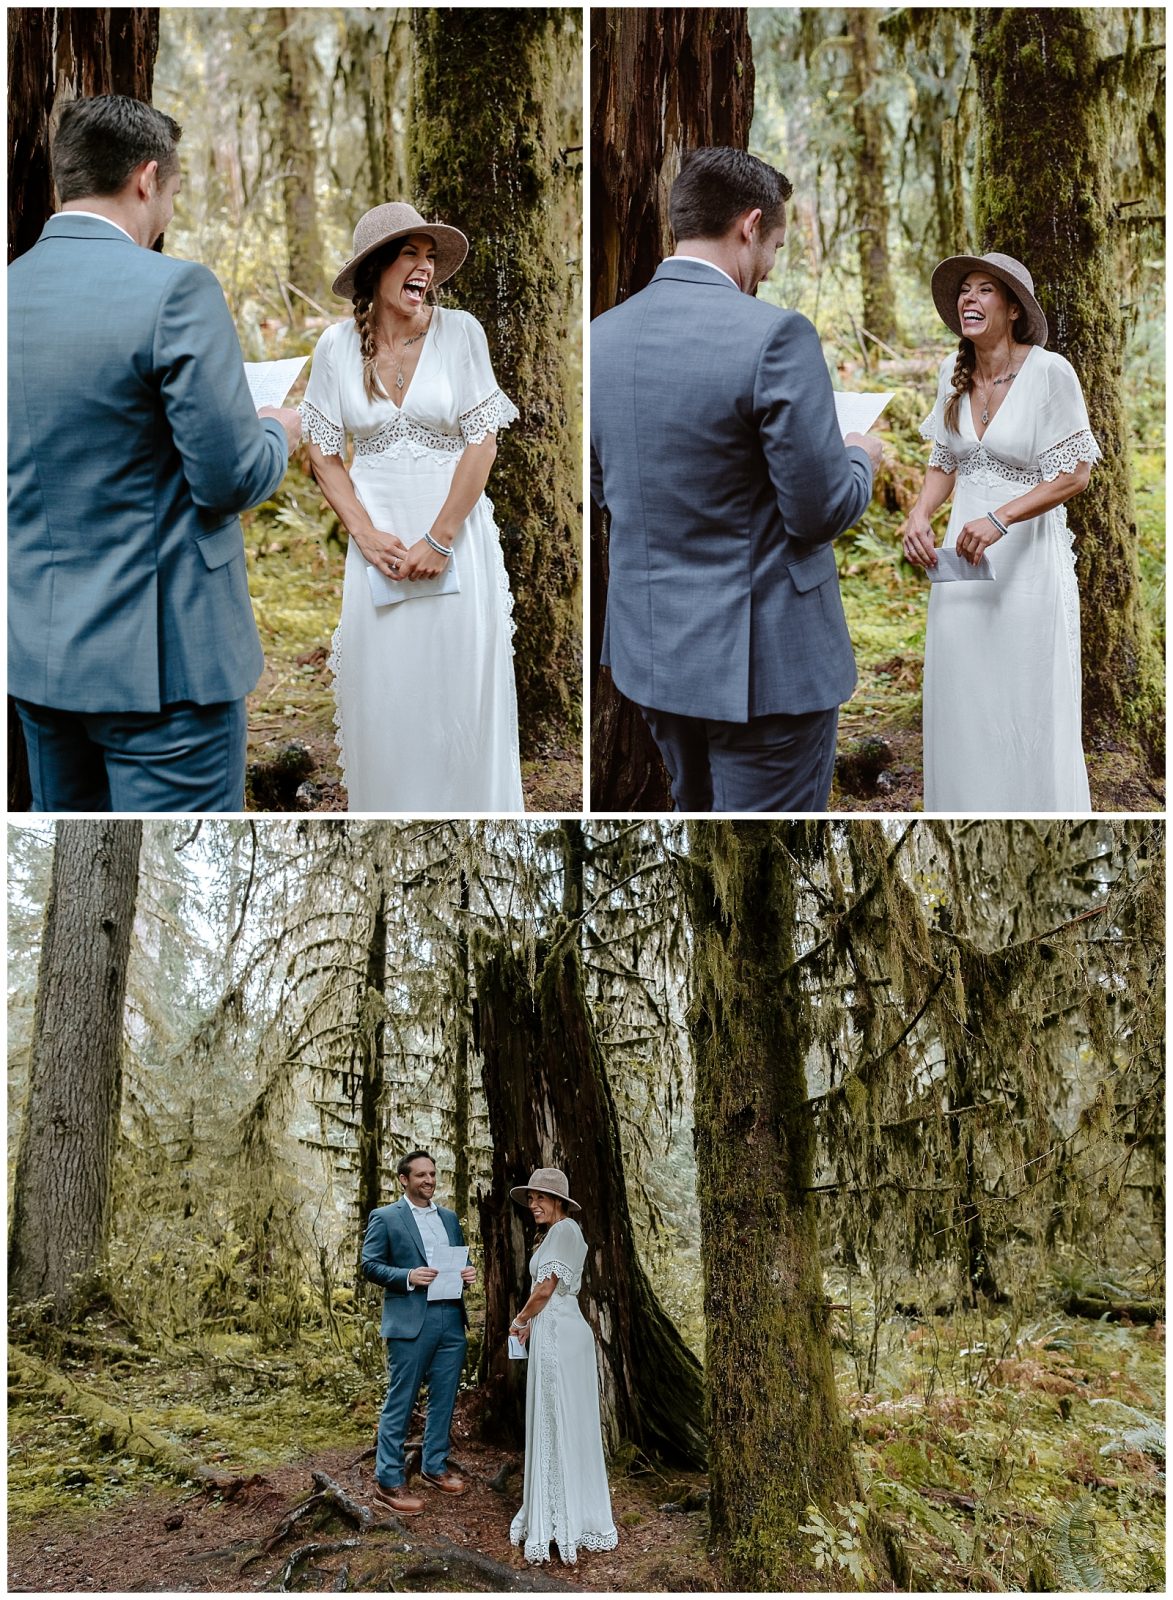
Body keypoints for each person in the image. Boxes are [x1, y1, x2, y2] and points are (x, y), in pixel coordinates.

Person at [8, 95, 301, 812]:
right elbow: (229, 476)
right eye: (172, 190)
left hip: (39, 662)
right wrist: (277, 430)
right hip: (166, 673)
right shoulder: (174, 289)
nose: (167, 208)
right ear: (147, 179)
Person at [590, 146, 883, 813]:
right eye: (776, 245)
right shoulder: (775, 336)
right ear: (750, 225)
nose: (771, 265)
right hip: (765, 665)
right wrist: (858, 454)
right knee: (765, 864)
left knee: (702, 842)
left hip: (655, 655)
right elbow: (818, 511)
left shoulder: (602, 337)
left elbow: (607, 487)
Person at [300, 201, 524, 811]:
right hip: (377, 558)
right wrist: (368, 537)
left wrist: (441, 538)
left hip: (457, 546)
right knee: (388, 699)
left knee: (458, 697)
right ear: (376, 267)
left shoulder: (462, 335)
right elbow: (323, 453)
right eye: (410, 254)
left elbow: (482, 441)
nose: (425, 268)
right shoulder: (335, 347)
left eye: (430, 257)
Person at [901, 252, 1098, 810]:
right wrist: (920, 514)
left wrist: (1000, 517)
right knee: (966, 695)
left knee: (1024, 693)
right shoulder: (952, 372)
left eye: (985, 290)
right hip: (962, 570)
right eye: (965, 289)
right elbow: (945, 461)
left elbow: (1074, 474)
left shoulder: (1050, 372)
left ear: (1013, 309)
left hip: (1028, 564)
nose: (970, 298)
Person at [507, 1167, 618, 1566]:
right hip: (551, 1331)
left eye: (540, 1198)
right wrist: (530, 1326)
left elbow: (546, 1288)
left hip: (560, 1335)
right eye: (531, 1198)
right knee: (554, 1419)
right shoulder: (555, 1234)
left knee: (560, 1419)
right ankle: (554, 1511)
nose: (533, 1205)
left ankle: (567, 1517)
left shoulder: (566, 1230)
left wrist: (520, 1320)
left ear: (558, 1202)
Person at [360, 1150, 477, 1515]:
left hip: (450, 1319)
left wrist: (468, 1272)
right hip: (411, 1320)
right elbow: (369, 1264)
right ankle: (388, 1480)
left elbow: (459, 1260)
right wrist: (407, 1276)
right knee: (402, 1399)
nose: (428, 1180)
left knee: (444, 1397)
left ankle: (434, 1465)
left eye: (432, 1174)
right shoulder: (385, 1218)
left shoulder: (449, 1218)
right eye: (420, 1175)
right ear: (404, 1180)